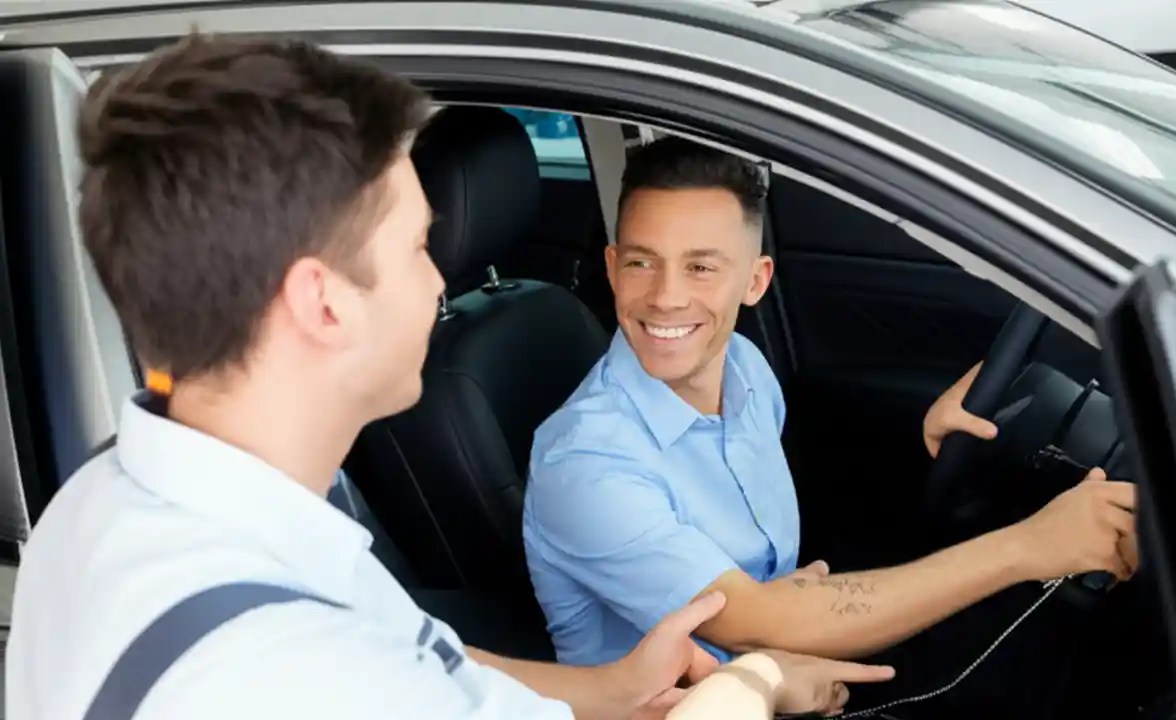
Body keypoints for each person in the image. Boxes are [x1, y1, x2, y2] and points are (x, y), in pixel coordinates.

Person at [4, 34, 896, 720]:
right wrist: (757, 683)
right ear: (323, 303)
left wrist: (610, 688)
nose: (442, 282)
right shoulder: (286, 672)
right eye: (418, 247)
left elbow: (427, 656)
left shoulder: (123, 500)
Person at [522, 137, 1139, 671]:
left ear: (756, 281)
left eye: (702, 267)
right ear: (610, 267)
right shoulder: (582, 461)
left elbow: (778, 561)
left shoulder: (743, 366)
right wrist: (1027, 547)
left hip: (776, 661)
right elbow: (757, 620)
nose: (666, 297)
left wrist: (919, 440)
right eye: (641, 263)